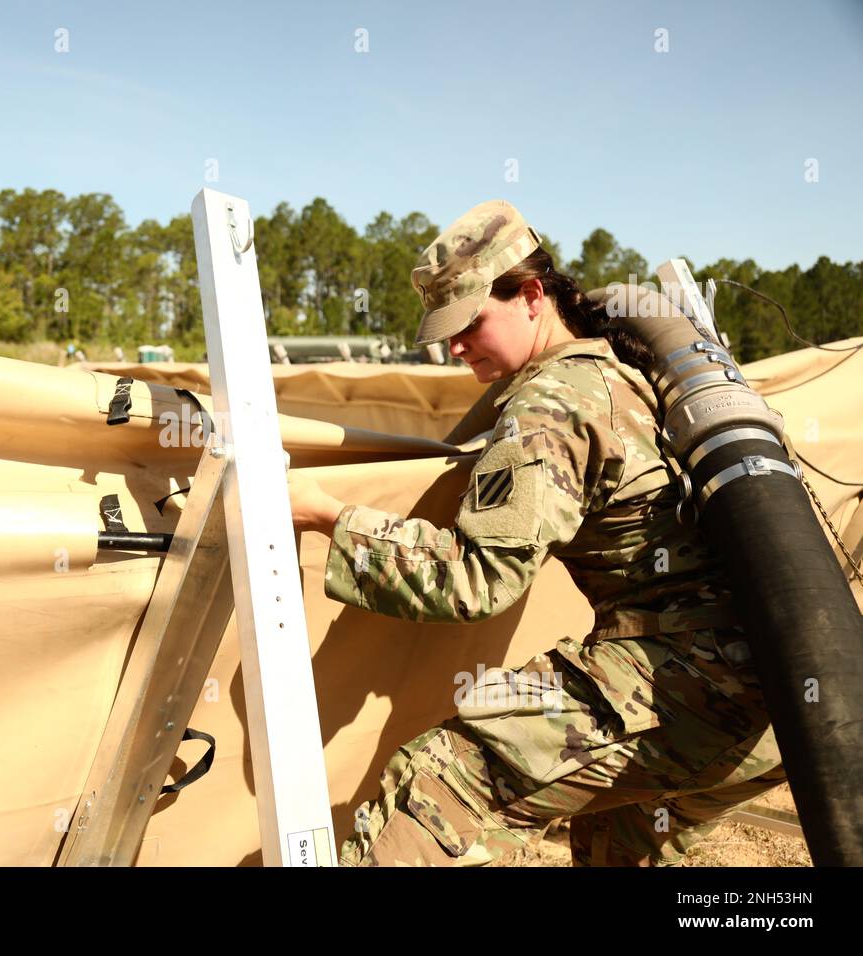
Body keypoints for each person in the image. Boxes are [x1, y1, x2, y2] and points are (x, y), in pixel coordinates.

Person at [287, 199, 785, 866]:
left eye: (469, 324)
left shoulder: (552, 403)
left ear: (529, 295)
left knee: (443, 783)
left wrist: (326, 514)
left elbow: (473, 578)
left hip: (690, 685)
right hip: (773, 694)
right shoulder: (619, 368)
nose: (454, 347)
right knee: (620, 843)